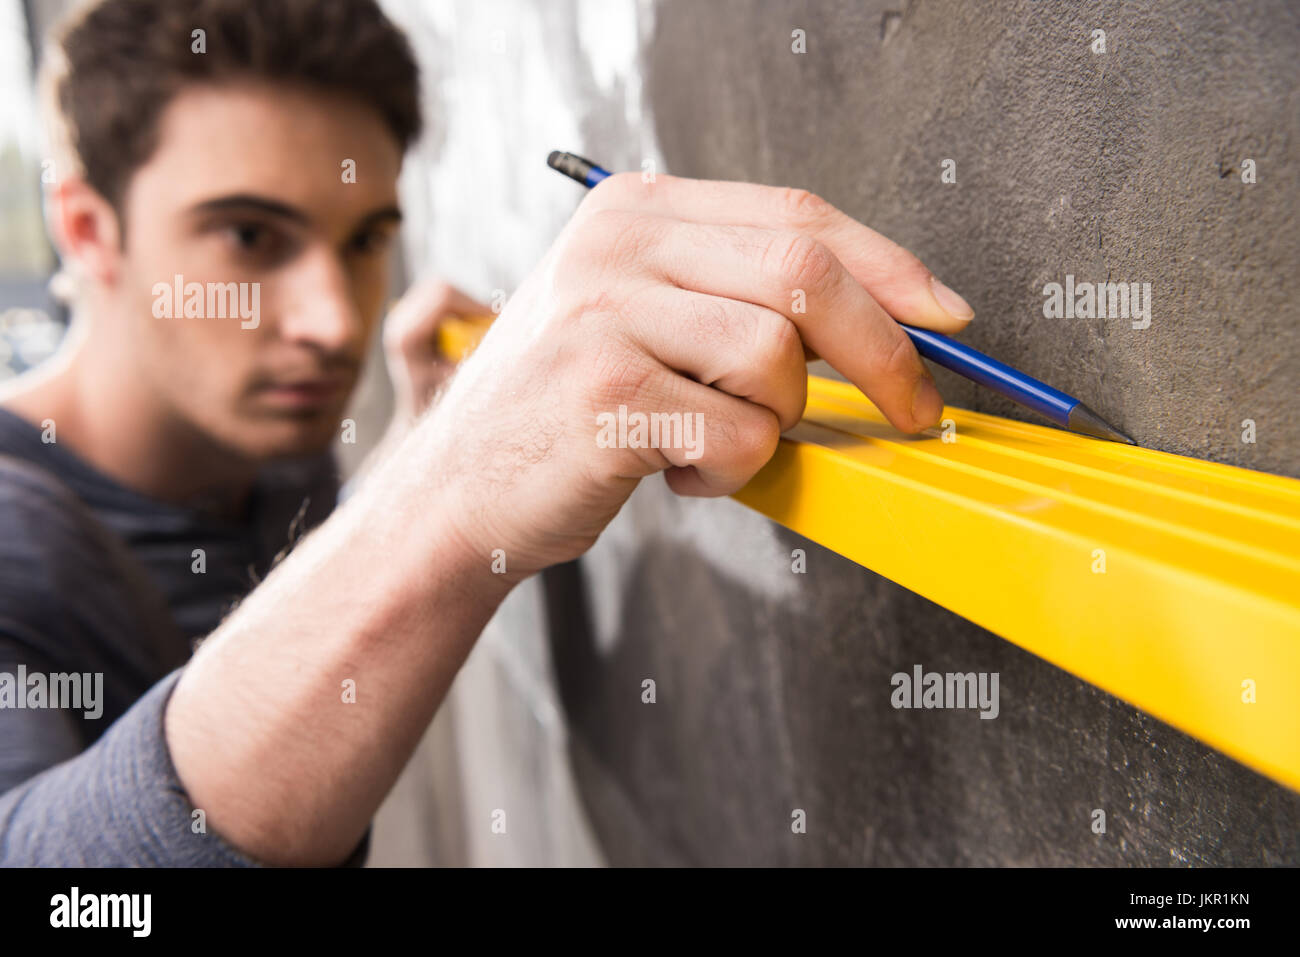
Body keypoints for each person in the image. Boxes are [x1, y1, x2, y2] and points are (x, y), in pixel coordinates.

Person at [0, 0, 973, 866]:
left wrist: (407, 465)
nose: (333, 321)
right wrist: (451, 487)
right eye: (251, 238)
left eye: (365, 240)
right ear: (88, 231)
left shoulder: (271, 455)